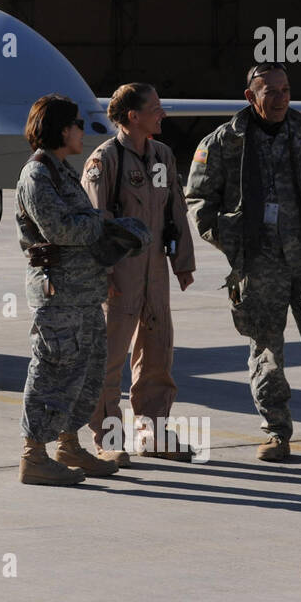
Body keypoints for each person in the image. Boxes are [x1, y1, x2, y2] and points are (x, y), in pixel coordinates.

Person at [184, 63, 301, 464]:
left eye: (286, 90)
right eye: (272, 91)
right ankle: (276, 432)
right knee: (267, 349)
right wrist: (235, 241)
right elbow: (199, 201)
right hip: (259, 264)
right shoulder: (222, 143)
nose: (282, 98)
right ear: (251, 96)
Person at [15, 94, 149, 485]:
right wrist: (108, 225)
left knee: (86, 373)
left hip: (82, 295)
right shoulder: (37, 176)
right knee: (51, 372)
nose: (81, 131)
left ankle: (68, 444)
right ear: (59, 129)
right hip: (58, 297)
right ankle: (33, 455)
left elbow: (78, 223)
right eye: (75, 124)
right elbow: (61, 229)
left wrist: (104, 226)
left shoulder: (61, 171)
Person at [81, 83, 196, 462]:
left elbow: (174, 209)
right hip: (120, 272)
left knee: (157, 352)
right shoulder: (105, 159)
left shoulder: (162, 155)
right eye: (156, 108)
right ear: (134, 116)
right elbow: (96, 221)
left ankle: (154, 433)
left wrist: (183, 263)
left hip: (155, 271)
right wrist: (105, 274)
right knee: (109, 357)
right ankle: (108, 438)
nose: (162, 114)